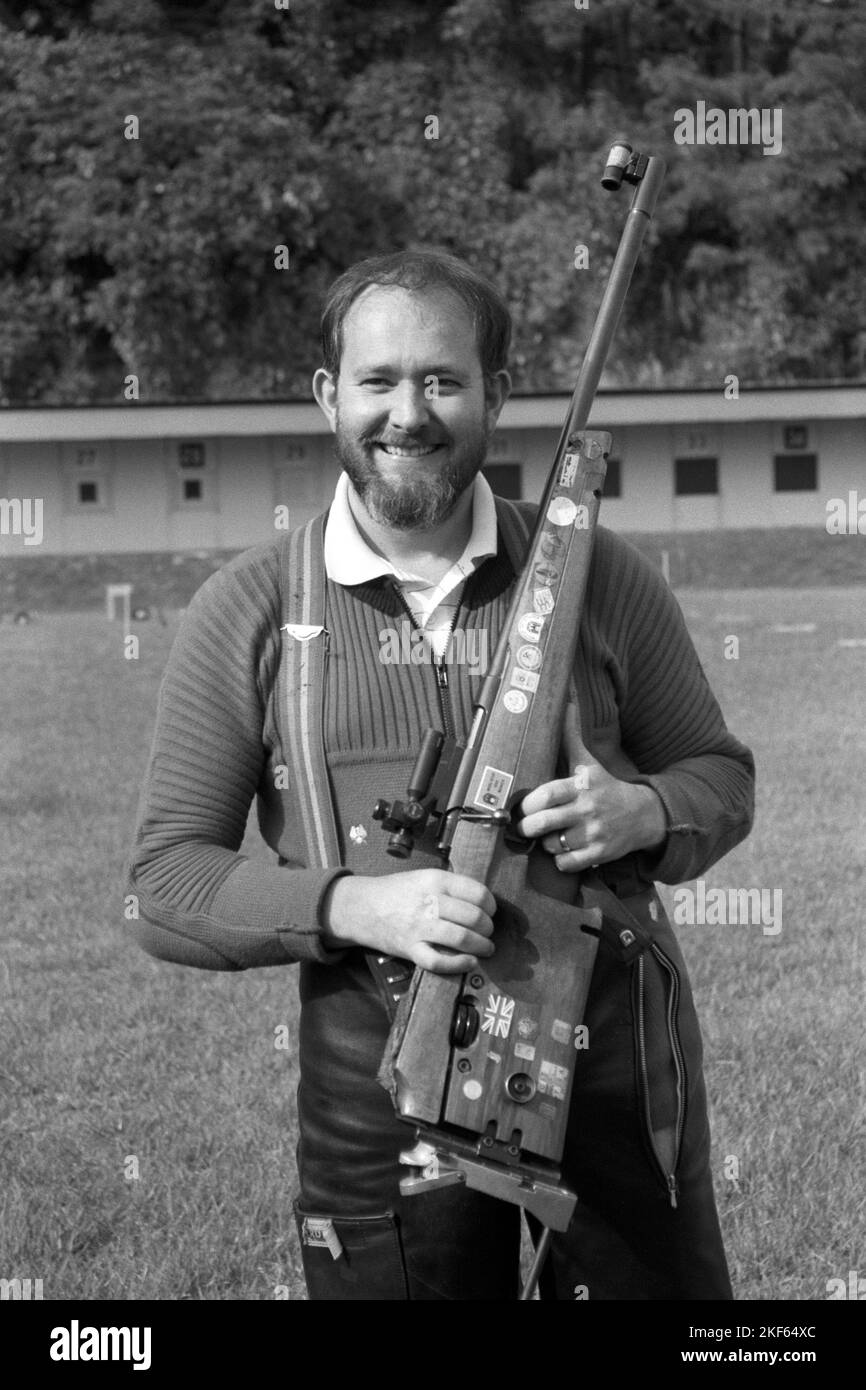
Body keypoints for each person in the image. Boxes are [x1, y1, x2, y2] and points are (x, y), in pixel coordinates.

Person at [127, 249, 755, 1301]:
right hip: (376, 1074)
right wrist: (358, 905)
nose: (406, 414)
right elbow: (164, 884)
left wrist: (643, 807)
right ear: (329, 395)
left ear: (496, 395)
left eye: (441, 380)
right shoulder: (244, 609)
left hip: (609, 1058)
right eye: (377, 381)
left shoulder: (603, 578)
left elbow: (719, 781)